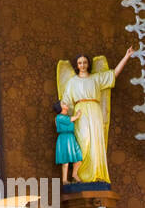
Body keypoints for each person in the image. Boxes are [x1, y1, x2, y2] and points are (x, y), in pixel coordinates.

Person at [59, 49, 134, 186]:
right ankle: (79, 174)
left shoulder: (96, 78)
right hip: (80, 113)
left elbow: (114, 74)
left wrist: (126, 56)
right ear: (77, 65)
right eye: (80, 63)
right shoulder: (72, 82)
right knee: (83, 141)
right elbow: (66, 103)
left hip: (95, 111)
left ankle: (96, 175)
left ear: (88, 64)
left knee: (96, 143)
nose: (82, 65)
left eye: (85, 62)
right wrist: (64, 120)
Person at [53, 100, 82, 186]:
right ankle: (64, 180)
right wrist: (77, 115)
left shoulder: (65, 116)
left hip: (71, 138)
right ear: (60, 108)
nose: (66, 104)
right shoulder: (59, 117)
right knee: (65, 161)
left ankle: (74, 174)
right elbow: (72, 119)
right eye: (63, 104)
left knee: (78, 157)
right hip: (64, 138)